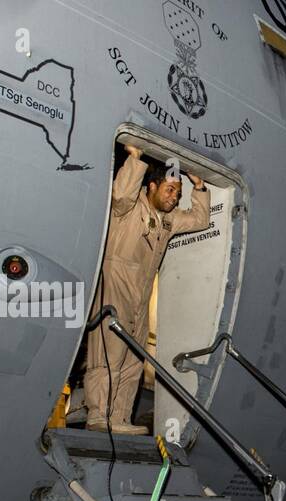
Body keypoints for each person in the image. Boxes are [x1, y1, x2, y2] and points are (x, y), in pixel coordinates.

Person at [84, 144, 210, 434]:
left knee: (133, 358)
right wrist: (135, 158)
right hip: (115, 285)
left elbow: (200, 220)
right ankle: (98, 415)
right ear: (151, 186)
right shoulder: (128, 209)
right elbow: (119, 194)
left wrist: (199, 187)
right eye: (169, 190)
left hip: (141, 293)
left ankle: (119, 419)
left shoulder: (168, 220)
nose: (175, 197)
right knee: (109, 353)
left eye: (177, 193)